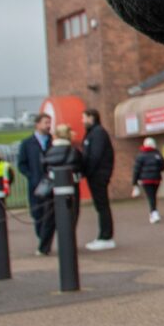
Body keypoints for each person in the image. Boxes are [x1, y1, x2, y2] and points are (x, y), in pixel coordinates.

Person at [38, 124, 85, 257]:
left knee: (49, 217)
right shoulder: (74, 152)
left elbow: (43, 167)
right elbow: (81, 167)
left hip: (52, 186)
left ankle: (43, 247)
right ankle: (68, 244)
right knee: (71, 215)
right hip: (70, 187)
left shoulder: (48, 151)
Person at [82, 108, 117, 251]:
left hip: (98, 175)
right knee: (100, 206)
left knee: (102, 206)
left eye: (84, 118)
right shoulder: (93, 133)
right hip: (96, 174)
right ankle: (103, 235)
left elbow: (95, 156)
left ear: (91, 118)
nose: (82, 121)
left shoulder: (98, 133)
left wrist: (87, 171)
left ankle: (106, 237)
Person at [17, 113, 52, 246]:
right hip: (35, 184)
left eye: (49, 123)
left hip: (50, 183)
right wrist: (31, 176)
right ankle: (41, 237)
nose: (48, 126)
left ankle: (45, 241)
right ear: (37, 124)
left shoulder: (52, 141)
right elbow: (22, 164)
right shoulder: (27, 143)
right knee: (37, 212)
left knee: (50, 212)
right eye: (45, 122)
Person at [132, 138, 164, 223]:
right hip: (156, 179)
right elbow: (163, 167)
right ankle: (154, 212)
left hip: (145, 180)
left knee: (150, 196)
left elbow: (136, 169)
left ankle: (153, 212)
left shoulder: (141, 155)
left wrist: (134, 182)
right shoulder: (157, 154)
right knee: (153, 195)